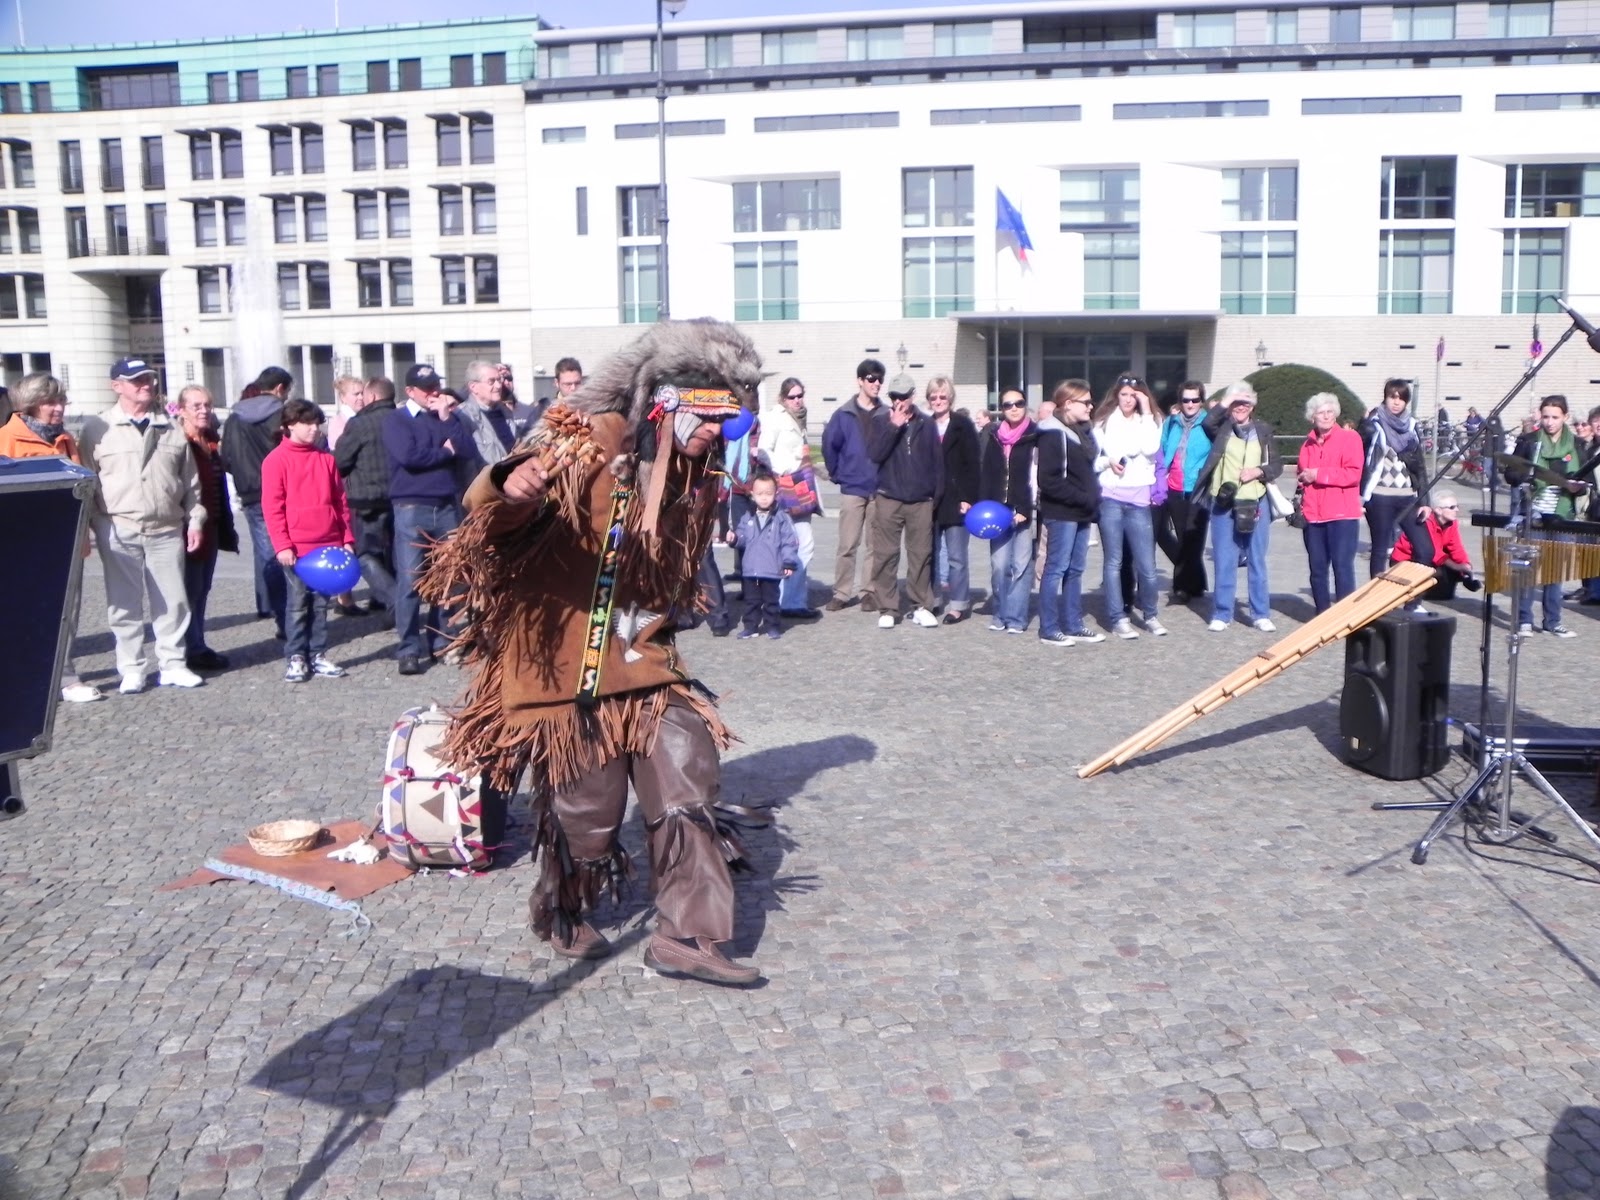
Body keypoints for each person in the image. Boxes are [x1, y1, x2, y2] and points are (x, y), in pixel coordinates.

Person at [419, 319, 766, 986]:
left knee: (687, 776)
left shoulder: (694, 472)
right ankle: (562, 906)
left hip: (644, 662)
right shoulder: (592, 440)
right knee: (587, 817)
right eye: (708, 417)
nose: (714, 436)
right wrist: (510, 488)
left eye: (728, 423)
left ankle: (688, 936)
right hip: (562, 668)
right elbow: (492, 511)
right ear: (665, 401)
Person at [78, 357, 207, 693]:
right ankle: (132, 667)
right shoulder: (96, 428)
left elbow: (190, 482)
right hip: (117, 526)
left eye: (149, 379)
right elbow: (88, 481)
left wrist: (195, 519)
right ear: (117, 386)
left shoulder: (171, 426)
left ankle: (174, 664)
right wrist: (93, 527)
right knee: (124, 603)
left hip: (166, 527)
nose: (146, 385)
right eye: (137, 381)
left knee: (173, 601)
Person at [0, 373, 104, 702]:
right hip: (21, 546)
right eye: (50, 402)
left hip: (66, 542)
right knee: (20, 613)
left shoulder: (67, 440)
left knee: (65, 613)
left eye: (61, 401)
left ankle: (65, 676)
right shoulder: (6, 440)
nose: (58, 408)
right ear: (31, 405)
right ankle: (23, 678)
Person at [383, 363, 470, 675]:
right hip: (411, 506)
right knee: (410, 579)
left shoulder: (444, 416)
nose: (434, 393)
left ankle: (441, 641)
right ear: (409, 391)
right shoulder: (397, 420)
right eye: (426, 388)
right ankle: (408, 648)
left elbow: (466, 449)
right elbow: (409, 457)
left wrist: (447, 421)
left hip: (446, 505)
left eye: (436, 386)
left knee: (448, 577)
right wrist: (444, 453)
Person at [261, 400, 356, 682]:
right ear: (291, 425)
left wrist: (346, 538)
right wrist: (282, 545)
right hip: (297, 547)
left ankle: (317, 653)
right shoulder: (276, 461)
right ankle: (296, 656)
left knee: (320, 605)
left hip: (327, 543)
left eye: (318, 423)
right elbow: (272, 506)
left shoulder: (326, 459)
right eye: (308, 424)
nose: (315, 429)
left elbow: (341, 503)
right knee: (298, 604)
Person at [1196, 381, 1282, 633]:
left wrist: (1259, 471)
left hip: (1256, 500)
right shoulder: (1221, 429)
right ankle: (1222, 612)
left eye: (1245, 402)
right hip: (1224, 501)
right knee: (1224, 558)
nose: (1240, 407)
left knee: (1257, 558)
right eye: (1236, 402)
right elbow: (1206, 422)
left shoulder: (1263, 430)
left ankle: (1260, 613)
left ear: (1253, 406)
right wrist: (1227, 398)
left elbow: (1276, 465)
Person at [1504, 395, 1590, 637]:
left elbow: (1587, 483)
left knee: (1555, 569)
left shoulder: (1577, 445)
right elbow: (1510, 474)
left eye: (1555, 417)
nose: (1550, 422)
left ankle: (1552, 621)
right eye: (1546, 417)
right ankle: (1524, 620)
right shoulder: (1530, 441)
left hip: (1562, 514)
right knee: (1529, 567)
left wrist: (1578, 487)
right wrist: (1526, 476)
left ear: (1566, 417)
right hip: (1534, 511)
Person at [865, 373, 943, 629]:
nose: (899, 401)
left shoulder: (927, 423)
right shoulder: (879, 420)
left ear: (912, 395)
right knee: (885, 555)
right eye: (894, 397)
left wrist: (934, 494)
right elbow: (875, 454)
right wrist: (893, 426)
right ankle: (887, 607)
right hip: (889, 496)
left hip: (920, 499)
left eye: (904, 396)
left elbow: (936, 462)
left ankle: (921, 605)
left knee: (921, 554)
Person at [221, 365, 294, 639]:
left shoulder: (234, 417)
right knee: (292, 552)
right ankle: (293, 619)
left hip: (252, 494)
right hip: (287, 493)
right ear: (279, 389)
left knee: (269, 556)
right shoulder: (283, 415)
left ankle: (282, 618)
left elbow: (225, 458)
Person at [1092, 375, 1164, 639]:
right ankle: (1117, 617)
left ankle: (1151, 614)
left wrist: (1146, 412)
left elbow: (1150, 448)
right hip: (1111, 496)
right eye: (1124, 395)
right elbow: (1095, 460)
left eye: (1134, 395)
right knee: (1114, 561)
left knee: (1146, 564)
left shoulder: (1152, 421)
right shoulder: (1102, 423)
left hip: (1139, 499)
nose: (1128, 400)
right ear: (1116, 395)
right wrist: (1108, 462)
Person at [1034, 379, 1103, 647]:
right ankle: (1049, 628)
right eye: (1086, 402)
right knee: (1056, 569)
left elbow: (1084, 472)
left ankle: (1073, 624)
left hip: (1082, 511)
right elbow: (1050, 480)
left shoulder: (1081, 431)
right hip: (1063, 511)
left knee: (1075, 570)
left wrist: (1089, 501)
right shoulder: (1052, 433)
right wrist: (1085, 499)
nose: (1090, 406)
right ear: (1068, 404)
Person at [175, 386, 237, 670]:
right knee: (188, 588)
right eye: (196, 405)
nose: (203, 410)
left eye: (207, 405)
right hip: (186, 525)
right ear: (182, 409)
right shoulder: (178, 441)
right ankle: (189, 647)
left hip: (211, 523)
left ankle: (196, 643)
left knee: (202, 588)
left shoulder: (210, 440)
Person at [755, 376, 822, 619]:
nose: (797, 400)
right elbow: (763, 450)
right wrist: (786, 466)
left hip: (802, 488)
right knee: (787, 545)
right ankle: (785, 600)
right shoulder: (775, 418)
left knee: (804, 544)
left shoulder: (801, 418)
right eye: (792, 396)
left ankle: (793, 600)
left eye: (800, 395)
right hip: (785, 487)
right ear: (783, 399)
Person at [821, 359, 885, 611]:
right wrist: (838, 473)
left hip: (879, 490)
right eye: (871, 379)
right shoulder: (843, 414)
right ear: (860, 381)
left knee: (875, 546)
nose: (876, 383)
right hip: (852, 488)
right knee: (847, 544)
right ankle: (842, 592)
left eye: (879, 379)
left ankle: (869, 591)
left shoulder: (886, 413)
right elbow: (829, 446)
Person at [334, 377, 398, 623]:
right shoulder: (404, 419)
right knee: (393, 555)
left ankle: (394, 599)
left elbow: (340, 461)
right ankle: (394, 602)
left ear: (372, 397)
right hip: (399, 498)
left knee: (364, 554)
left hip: (365, 500)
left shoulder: (360, 424)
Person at [978, 388, 1039, 634]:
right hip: (997, 509)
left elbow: (1035, 476)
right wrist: (983, 505)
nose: (1013, 408)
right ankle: (1000, 613)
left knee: (1021, 566)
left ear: (1025, 405)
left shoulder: (1036, 435)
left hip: (1023, 507)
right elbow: (987, 473)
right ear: (1001, 409)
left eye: (1019, 403)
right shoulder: (993, 436)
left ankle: (1016, 618)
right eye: (1007, 404)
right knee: (1000, 565)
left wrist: (1026, 508)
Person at [1296, 392, 1364, 613]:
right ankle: (1321, 614)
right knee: (1317, 569)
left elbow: (1353, 474)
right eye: (1320, 413)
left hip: (1342, 515)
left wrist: (1319, 475)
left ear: (1335, 414)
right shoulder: (1307, 444)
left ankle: (1344, 617)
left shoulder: (1350, 438)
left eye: (1329, 412)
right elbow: (1301, 474)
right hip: (1313, 515)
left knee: (1342, 567)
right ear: (1312, 417)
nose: (1325, 416)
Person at [1359, 379, 1428, 579]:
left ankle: (1412, 601)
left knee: (1425, 550)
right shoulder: (1374, 424)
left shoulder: (1412, 427)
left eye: (1402, 398)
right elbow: (1361, 450)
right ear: (1385, 398)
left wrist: (1425, 501)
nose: (1396, 402)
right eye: (1392, 397)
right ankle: (1377, 603)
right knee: (1380, 550)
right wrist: (1363, 424)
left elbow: (1420, 466)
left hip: (1407, 496)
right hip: (1380, 496)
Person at [927, 377, 979, 624]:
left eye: (942, 396)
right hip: (929, 500)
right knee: (931, 553)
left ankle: (958, 604)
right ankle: (934, 599)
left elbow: (973, 465)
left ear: (950, 398)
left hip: (956, 497)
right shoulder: (924, 425)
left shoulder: (962, 425)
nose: (938, 401)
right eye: (933, 397)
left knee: (957, 556)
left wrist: (968, 497)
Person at [1155, 380, 1212, 603]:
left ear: (1201, 401)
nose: (1190, 404)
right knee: (1181, 536)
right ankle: (1197, 583)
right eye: (1186, 400)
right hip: (1174, 487)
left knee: (1193, 538)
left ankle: (1182, 585)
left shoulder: (1209, 423)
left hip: (1198, 488)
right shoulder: (1171, 423)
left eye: (1195, 400)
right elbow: (1160, 448)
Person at [727, 471, 799, 639]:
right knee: (751, 602)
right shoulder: (748, 516)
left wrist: (788, 563)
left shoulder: (781, 517)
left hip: (772, 569)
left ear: (776, 494)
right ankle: (750, 627)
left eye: (768, 494)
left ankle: (772, 626)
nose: (764, 498)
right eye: (760, 494)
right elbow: (742, 538)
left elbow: (789, 542)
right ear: (752, 495)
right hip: (751, 570)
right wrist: (734, 539)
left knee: (771, 602)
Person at [1390, 488, 1479, 605]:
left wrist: (1466, 566)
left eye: (1457, 506)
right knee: (1449, 569)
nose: (1456, 510)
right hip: (1405, 562)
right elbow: (1434, 552)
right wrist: (1457, 567)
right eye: (1452, 507)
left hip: (1430, 560)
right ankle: (1415, 598)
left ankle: (1441, 589)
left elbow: (1456, 548)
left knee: (1455, 569)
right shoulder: (1426, 522)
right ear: (1438, 510)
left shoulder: (1452, 524)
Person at [456, 360, 519, 467]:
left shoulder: (505, 412)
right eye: (491, 381)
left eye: (499, 380)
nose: (498, 386)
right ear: (473, 387)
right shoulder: (462, 416)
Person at [326, 375, 366, 450]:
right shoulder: (337, 422)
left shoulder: (365, 417)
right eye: (356, 394)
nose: (361, 397)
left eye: (362, 393)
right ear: (343, 397)